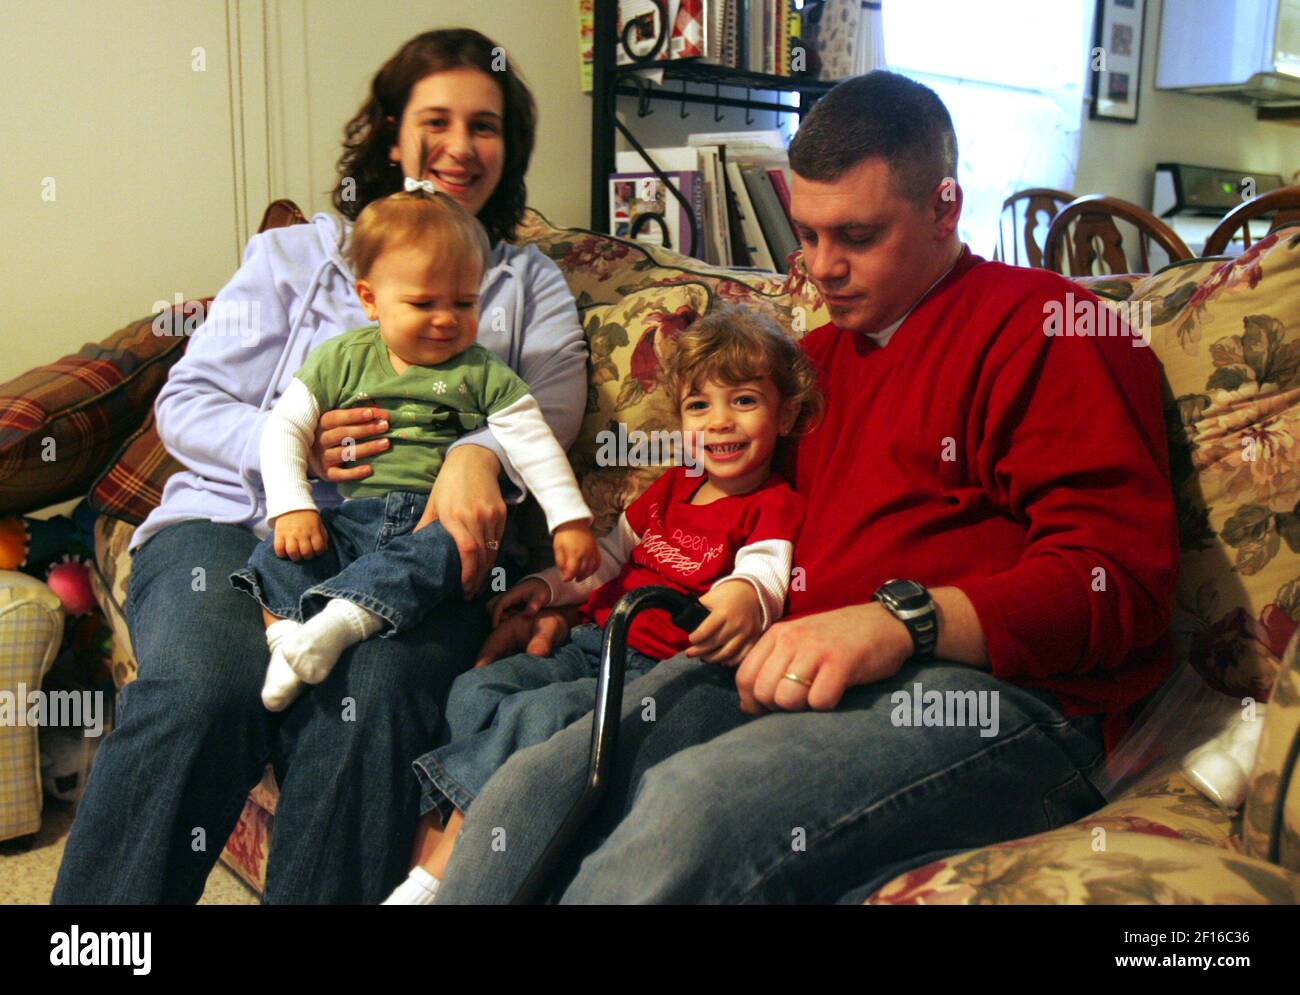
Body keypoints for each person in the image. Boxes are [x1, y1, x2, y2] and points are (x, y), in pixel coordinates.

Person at [427, 70, 1181, 904]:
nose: (822, 268)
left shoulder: (1050, 329)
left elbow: (1119, 581)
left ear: (944, 209)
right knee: (537, 783)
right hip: (791, 665)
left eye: (856, 235)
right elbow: (711, 522)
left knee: (688, 812)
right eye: (808, 233)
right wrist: (581, 601)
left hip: (999, 698)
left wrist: (901, 622)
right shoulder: (803, 370)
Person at [52, 28, 588, 905]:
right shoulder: (296, 256)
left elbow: (550, 409)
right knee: (203, 689)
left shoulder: (528, 284)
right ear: (391, 135)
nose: (460, 146)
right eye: (436, 121)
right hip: (232, 523)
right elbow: (188, 403)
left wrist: (474, 455)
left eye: (485, 126)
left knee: (372, 697)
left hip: (407, 552)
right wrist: (292, 448)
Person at [384, 306, 818, 903]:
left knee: (538, 716)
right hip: (592, 640)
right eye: (700, 406)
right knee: (476, 688)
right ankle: (459, 834)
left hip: (650, 671)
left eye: (743, 401)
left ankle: (438, 876)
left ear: (785, 414)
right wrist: (547, 588)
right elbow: (609, 559)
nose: (720, 422)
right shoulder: (673, 487)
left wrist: (745, 594)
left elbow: (765, 572)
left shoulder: (774, 503)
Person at [230, 189, 598, 711]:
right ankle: (287, 643)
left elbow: (533, 441)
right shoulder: (341, 359)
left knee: (453, 550)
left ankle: (339, 623)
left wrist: (569, 520)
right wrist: (292, 506)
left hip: (431, 522)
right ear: (370, 300)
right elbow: (285, 427)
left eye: (464, 303)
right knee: (277, 551)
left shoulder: (482, 372)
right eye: (424, 304)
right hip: (352, 517)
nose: (446, 319)